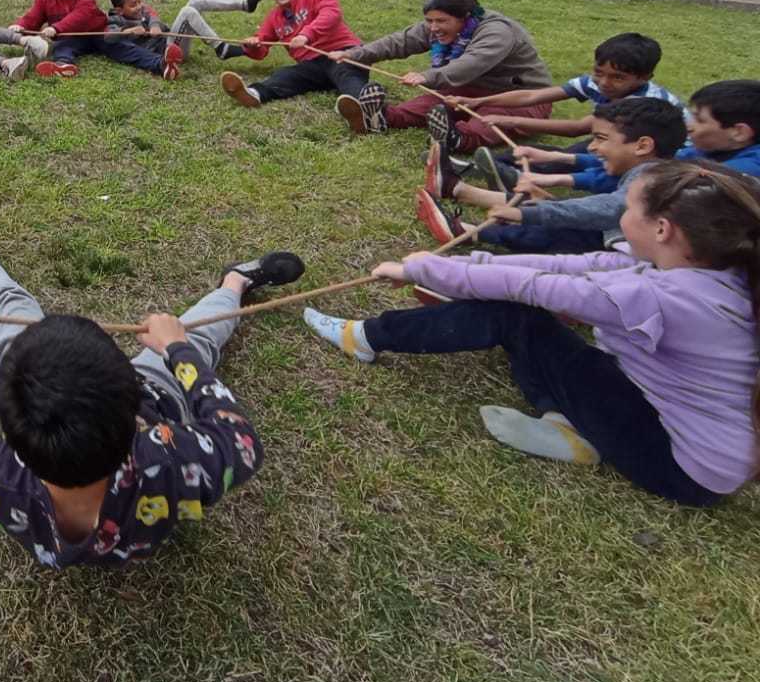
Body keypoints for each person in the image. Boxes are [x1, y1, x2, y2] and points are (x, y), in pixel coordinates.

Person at [0, 182, 295, 568]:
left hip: (58, 398)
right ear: (134, 400)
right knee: (201, 338)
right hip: (160, 399)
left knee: (9, 300)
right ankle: (235, 283)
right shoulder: (166, 457)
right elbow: (242, 442)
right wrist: (177, 349)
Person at [305, 160, 760, 506]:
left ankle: (363, 336)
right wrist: (447, 266)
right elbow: (570, 266)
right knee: (530, 321)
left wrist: (420, 269)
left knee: (516, 314)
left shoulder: (671, 297)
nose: (620, 216)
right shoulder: (713, 269)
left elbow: (534, 288)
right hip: (678, 440)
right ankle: (564, 425)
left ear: (662, 228)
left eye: (627, 207)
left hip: (675, 462)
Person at [418, 96, 687, 254]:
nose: (593, 147)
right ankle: (459, 191)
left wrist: (527, 214)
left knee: (565, 227)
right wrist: (554, 160)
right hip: (624, 239)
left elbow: (608, 208)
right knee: (557, 208)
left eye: (601, 139)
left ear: (642, 145)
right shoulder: (654, 168)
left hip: (625, 257)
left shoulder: (652, 180)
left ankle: (467, 233)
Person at [448, 33, 683, 189]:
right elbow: (533, 95)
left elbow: (578, 128)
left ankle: (512, 178)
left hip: (655, 158)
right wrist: (479, 101)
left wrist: (508, 121)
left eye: (618, 77)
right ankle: (480, 169)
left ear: (645, 77)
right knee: (541, 152)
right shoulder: (595, 82)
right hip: (617, 139)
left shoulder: (642, 102)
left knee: (565, 157)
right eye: (599, 72)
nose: (605, 82)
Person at [335, 0, 552, 150]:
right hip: (467, 90)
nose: (433, 27)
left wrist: (426, 76)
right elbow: (400, 41)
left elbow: (470, 64)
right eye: (429, 20)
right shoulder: (438, 27)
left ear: (466, 17)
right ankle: (379, 117)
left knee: (489, 119)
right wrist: (354, 54)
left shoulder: (497, 31)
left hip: (520, 96)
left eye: (441, 20)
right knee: (426, 105)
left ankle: (456, 138)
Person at [217, 0, 371, 132]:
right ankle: (254, 94)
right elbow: (262, 46)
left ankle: (360, 109)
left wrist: (306, 35)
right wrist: (252, 44)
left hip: (343, 52)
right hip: (312, 65)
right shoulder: (275, 17)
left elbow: (331, 13)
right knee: (287, 75)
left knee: (347, 75)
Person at [558, 80, 760, 190]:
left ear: (739, 132)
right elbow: (646, 166)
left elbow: (651, 180)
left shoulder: (743, 172)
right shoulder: (707, 149)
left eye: (699, 119)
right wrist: (562, 159)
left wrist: (563, 178)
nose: (689, 126)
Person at [9, 0, 115, 77]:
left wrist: (56, 27)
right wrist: (19, 27)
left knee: (120, 46)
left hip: (97, 33)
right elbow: (33, 19)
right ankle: (62, 67)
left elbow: (83, 13)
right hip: (71, 38)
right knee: (62, 48)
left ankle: (146, 60)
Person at [166, 0, 268, 60]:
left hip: (168, 38)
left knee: (195, 1)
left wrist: (155, 25)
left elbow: (152, 16)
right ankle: (221, 48)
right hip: (167, 51)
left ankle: (245, 4)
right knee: (187, 12)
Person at [104, 0, 186, 80]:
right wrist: (128, 31)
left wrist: (155, 26)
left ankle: (207, 39)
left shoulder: (143, 10)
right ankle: (170, 59)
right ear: (120, 10)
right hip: (165, 49)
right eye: (133, 5)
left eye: (139, 1)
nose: (139, 7)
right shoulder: (114, 19)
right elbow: (108, 36)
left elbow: (156, 19)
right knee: (187, 12)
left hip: (169, 41)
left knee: (194, 3)